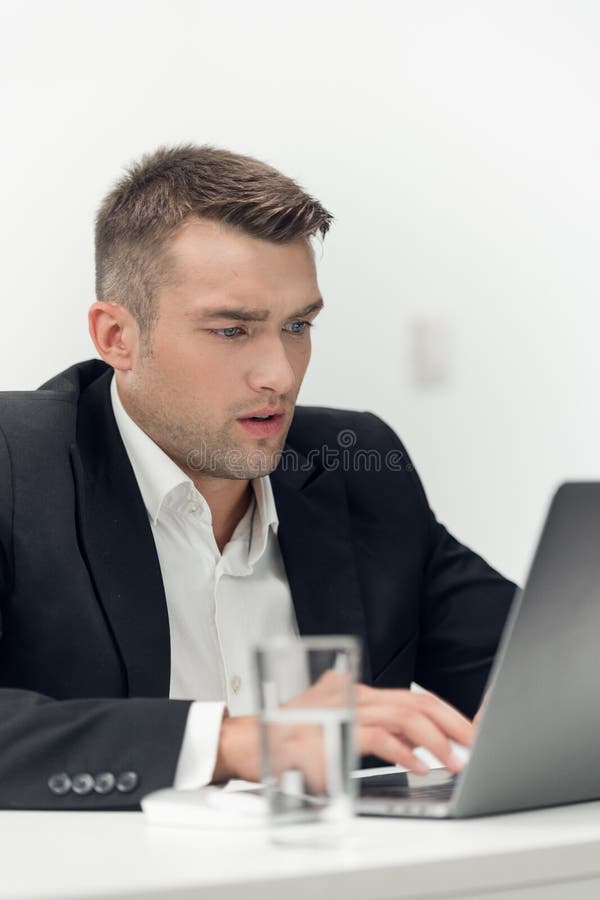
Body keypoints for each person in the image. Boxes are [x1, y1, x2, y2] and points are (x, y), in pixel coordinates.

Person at [0, 145, 516, 809]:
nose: (279, 372)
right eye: (231, 330)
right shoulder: (18, 465)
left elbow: (538, 670)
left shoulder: (355, 465)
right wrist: (236, 742)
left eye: (298, 325)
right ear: (116, 336)